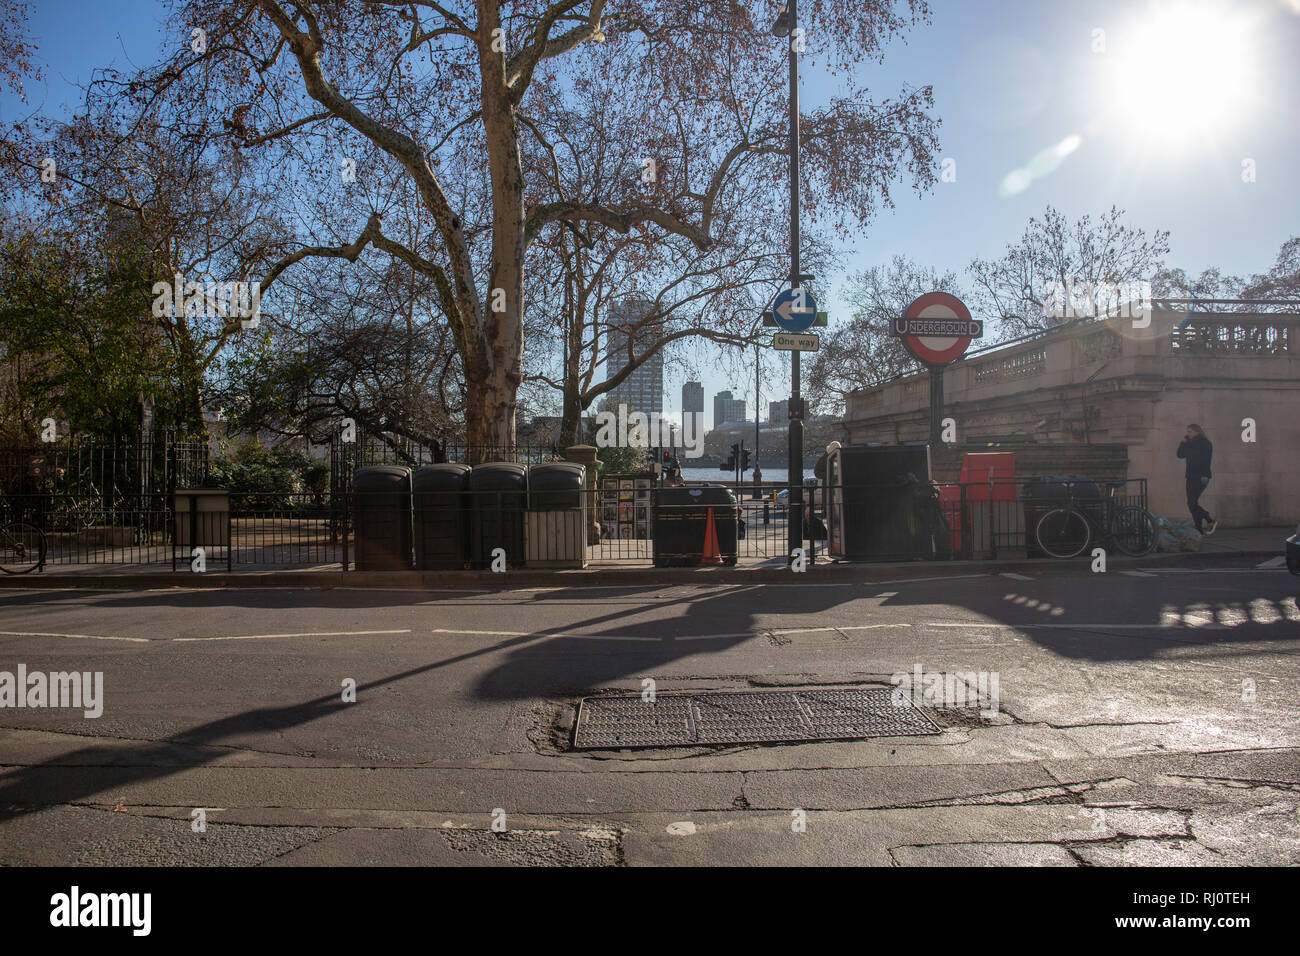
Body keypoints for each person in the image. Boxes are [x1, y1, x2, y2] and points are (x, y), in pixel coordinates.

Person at [1177, 424, 1217, 535]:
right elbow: (1180, 455)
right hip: (1190, 476)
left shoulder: (1205, 443)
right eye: (1187, 431)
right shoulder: (1189, 443)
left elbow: (1206, 460)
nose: (1188, 433)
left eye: (1190, 431)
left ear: (1197, 432)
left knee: (1192, 502)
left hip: (1201, 477)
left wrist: (1204, 475)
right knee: (1191, 503)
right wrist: (1182, 443)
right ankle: (1199, 528)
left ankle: (1209, 520)